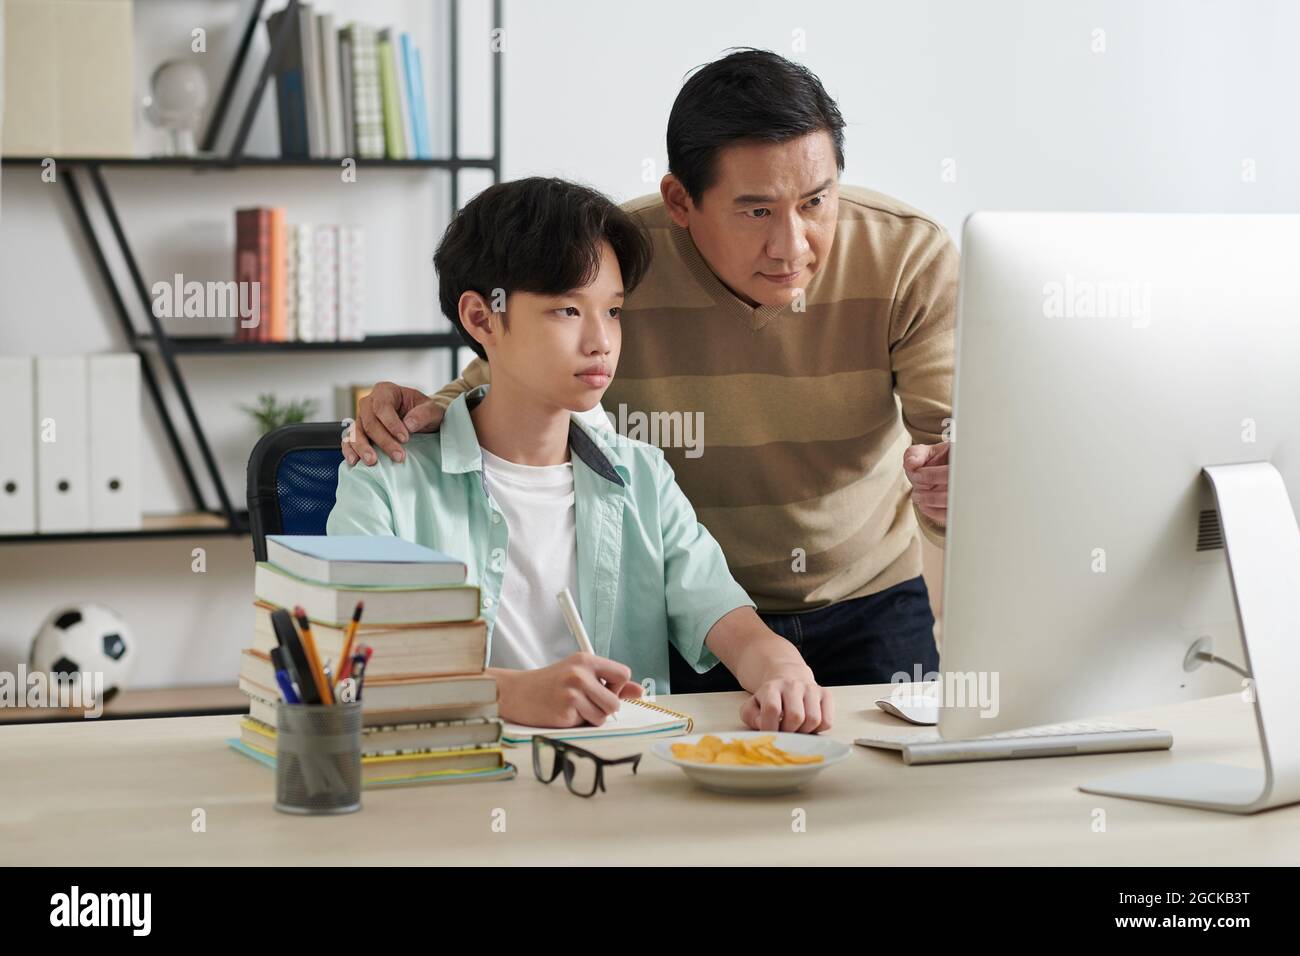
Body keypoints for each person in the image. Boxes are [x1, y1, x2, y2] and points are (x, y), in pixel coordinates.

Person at [343, 49, 956, 692]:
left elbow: (958, 454)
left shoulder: (907, 255)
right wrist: (413, 415)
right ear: (680, 201)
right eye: (755, 211)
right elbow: (506, 371)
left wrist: (958, 489)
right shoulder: (614, 253)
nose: (792, 246)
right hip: (688, 627)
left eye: (815, 202)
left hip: (865, 596)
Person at [327, 176, 833, 733]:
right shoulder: (386, 478)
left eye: (612, 311)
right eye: (568, 311)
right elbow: (348, 667)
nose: (601, 341)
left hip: (622, 782)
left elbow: (728, 620)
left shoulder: (641, 476)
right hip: (456, 782)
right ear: (481, 318)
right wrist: (512, 693)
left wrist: (782, 670)